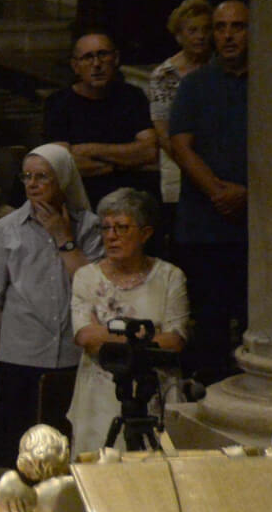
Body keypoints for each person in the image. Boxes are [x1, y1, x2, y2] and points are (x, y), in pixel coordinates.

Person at [0, 144, 103, 468]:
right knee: (18, 459)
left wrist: (64, 238)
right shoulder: (3, 229)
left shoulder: (90, 227)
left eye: (42, 177)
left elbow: (95, 291)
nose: (32, 184)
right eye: (27, 176)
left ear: (62, 180)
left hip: (74, 357)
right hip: (20, 356)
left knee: (68, 455)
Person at [67, 188, 189, 456]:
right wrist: (146, 336)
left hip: (155, 392)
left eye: (121, 227)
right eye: (106, 228)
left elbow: (174, 341)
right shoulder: (86, 277)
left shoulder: (170, 277)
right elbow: (86, 337)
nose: (111, 236)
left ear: (145, 233)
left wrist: (108, 337)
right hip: (100, 397)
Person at [169, 0, 249, 385]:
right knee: (210, 322)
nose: (228, 35)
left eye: (237, 26)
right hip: (204, 225)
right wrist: (219, 192)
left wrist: (249, 194)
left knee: (254, 322)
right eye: (220, 27)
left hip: (259, 226)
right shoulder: (195, 84)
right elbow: (181, 146)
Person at [42, 32, 158, 208]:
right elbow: (64, 164)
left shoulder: (132, 96)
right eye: (88, 57)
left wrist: (90, 149)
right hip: (82, 198)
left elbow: (149, 151)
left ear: (116, 58)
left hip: (131, 198)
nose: (96, 64)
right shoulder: (58, 103)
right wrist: (125, 162)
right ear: (75, 66)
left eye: (103, 55)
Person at [147, 0, 213, 215]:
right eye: (193, 30)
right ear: (179, 35)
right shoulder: (164, 75)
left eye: (206, 29)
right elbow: (162, 130)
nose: (201, 36)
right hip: (178, 165)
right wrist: (195, 170)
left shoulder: (219, 67)